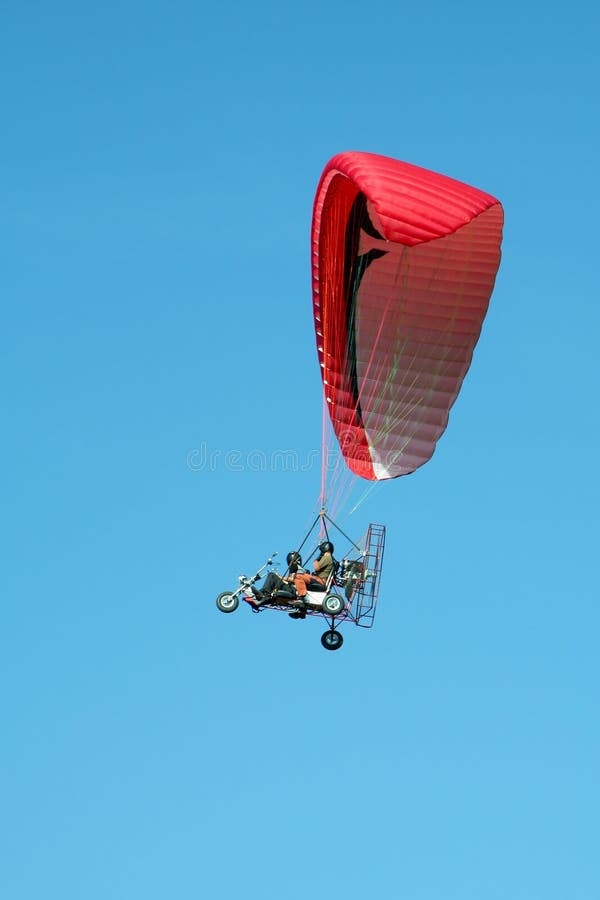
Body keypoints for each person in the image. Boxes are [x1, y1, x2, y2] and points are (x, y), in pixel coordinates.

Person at [289, 541, 336, 620]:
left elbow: (316, 567)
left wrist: (316, 560)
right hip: (319, 579)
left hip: (320, 581)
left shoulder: (327, 556)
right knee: (302, 582)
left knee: (298, 576)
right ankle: (302, 612)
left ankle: (301, 599)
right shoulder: (329, 557)